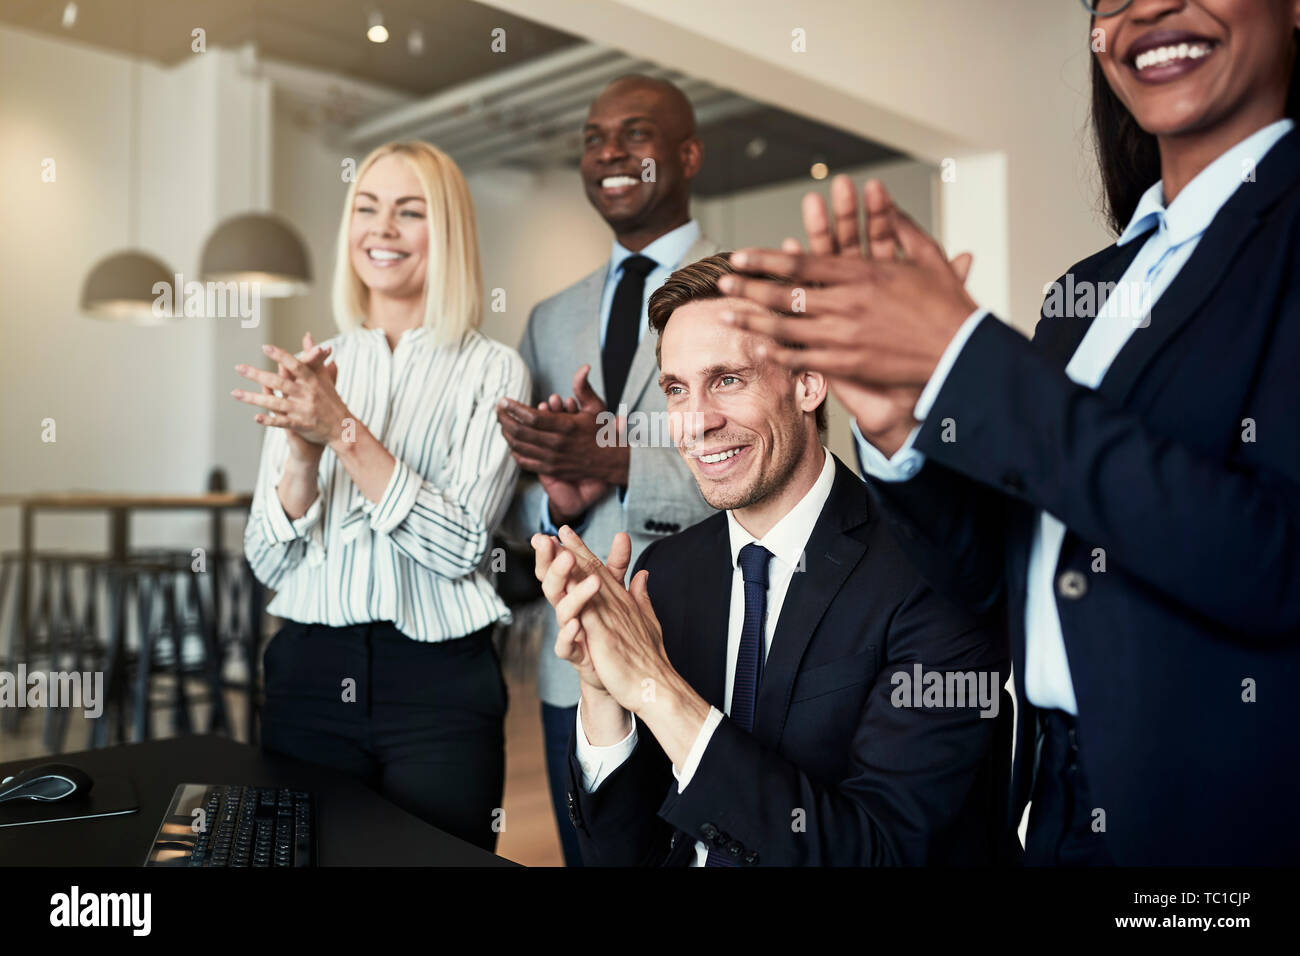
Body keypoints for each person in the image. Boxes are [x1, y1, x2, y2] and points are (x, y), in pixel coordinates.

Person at [719, 0, 1300, 865]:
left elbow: (1275, 562)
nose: (1149, 7)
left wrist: (971, 361)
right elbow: (1004, 582)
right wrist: (903, 431)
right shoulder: (1089, 293)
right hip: (1060, 807)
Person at [529, 254, 1010, 866]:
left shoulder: (933, 573)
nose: (696, 423)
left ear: (808, 382)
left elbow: (885, 855)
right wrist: (604, 693)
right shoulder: (666, 572)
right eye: (676, 389)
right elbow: (625, 854)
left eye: (727, 379)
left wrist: (658, 691)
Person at [235, 141, 529, 852]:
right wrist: (302, 459)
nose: (382, 230)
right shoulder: (315, 368)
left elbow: (461, 546)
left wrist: (339, 428)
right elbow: (268, 564)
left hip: (438, 686)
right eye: (366, 209)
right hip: (308, 673)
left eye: (409, 211)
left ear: (449, 232)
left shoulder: (495, 372)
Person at [495, 75, 718, 865]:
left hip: (717, 658)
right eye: (594, 138)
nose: (610, 153)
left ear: (687, 155)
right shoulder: (549, 318)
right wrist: (554, 497)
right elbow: (522, 496)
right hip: (578, 665)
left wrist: (619, 459)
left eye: (635, 133)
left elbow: (790, 467)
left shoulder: (745, 289)